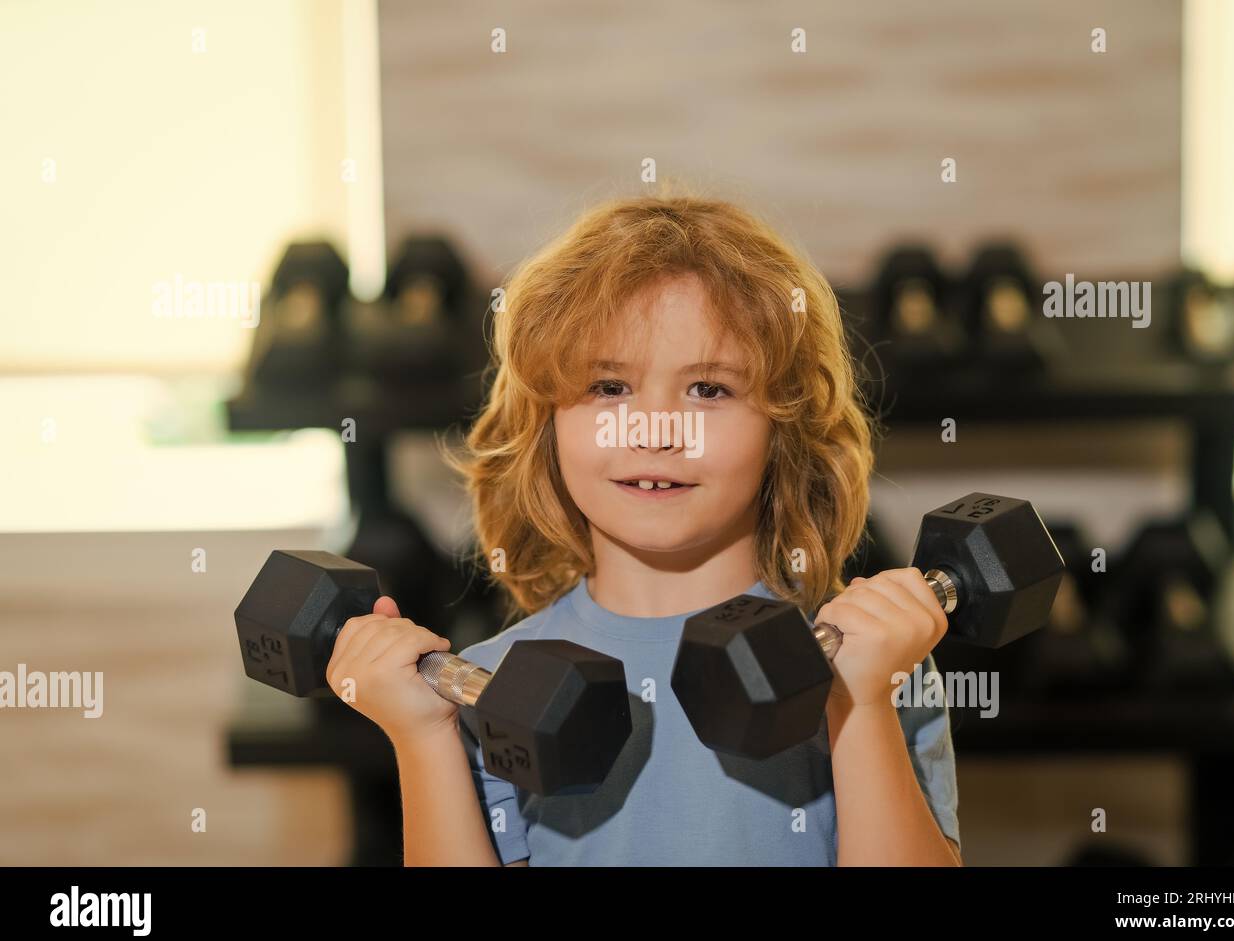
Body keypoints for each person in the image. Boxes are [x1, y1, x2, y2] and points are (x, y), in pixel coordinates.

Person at [324, 189, 961, 866]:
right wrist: (424, 740)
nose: (653, 430)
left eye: (708, 389)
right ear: (549, 426)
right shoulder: (486, 684)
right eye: (609, 388)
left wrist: (858, 704)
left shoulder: (866, 659)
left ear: (785, 431)